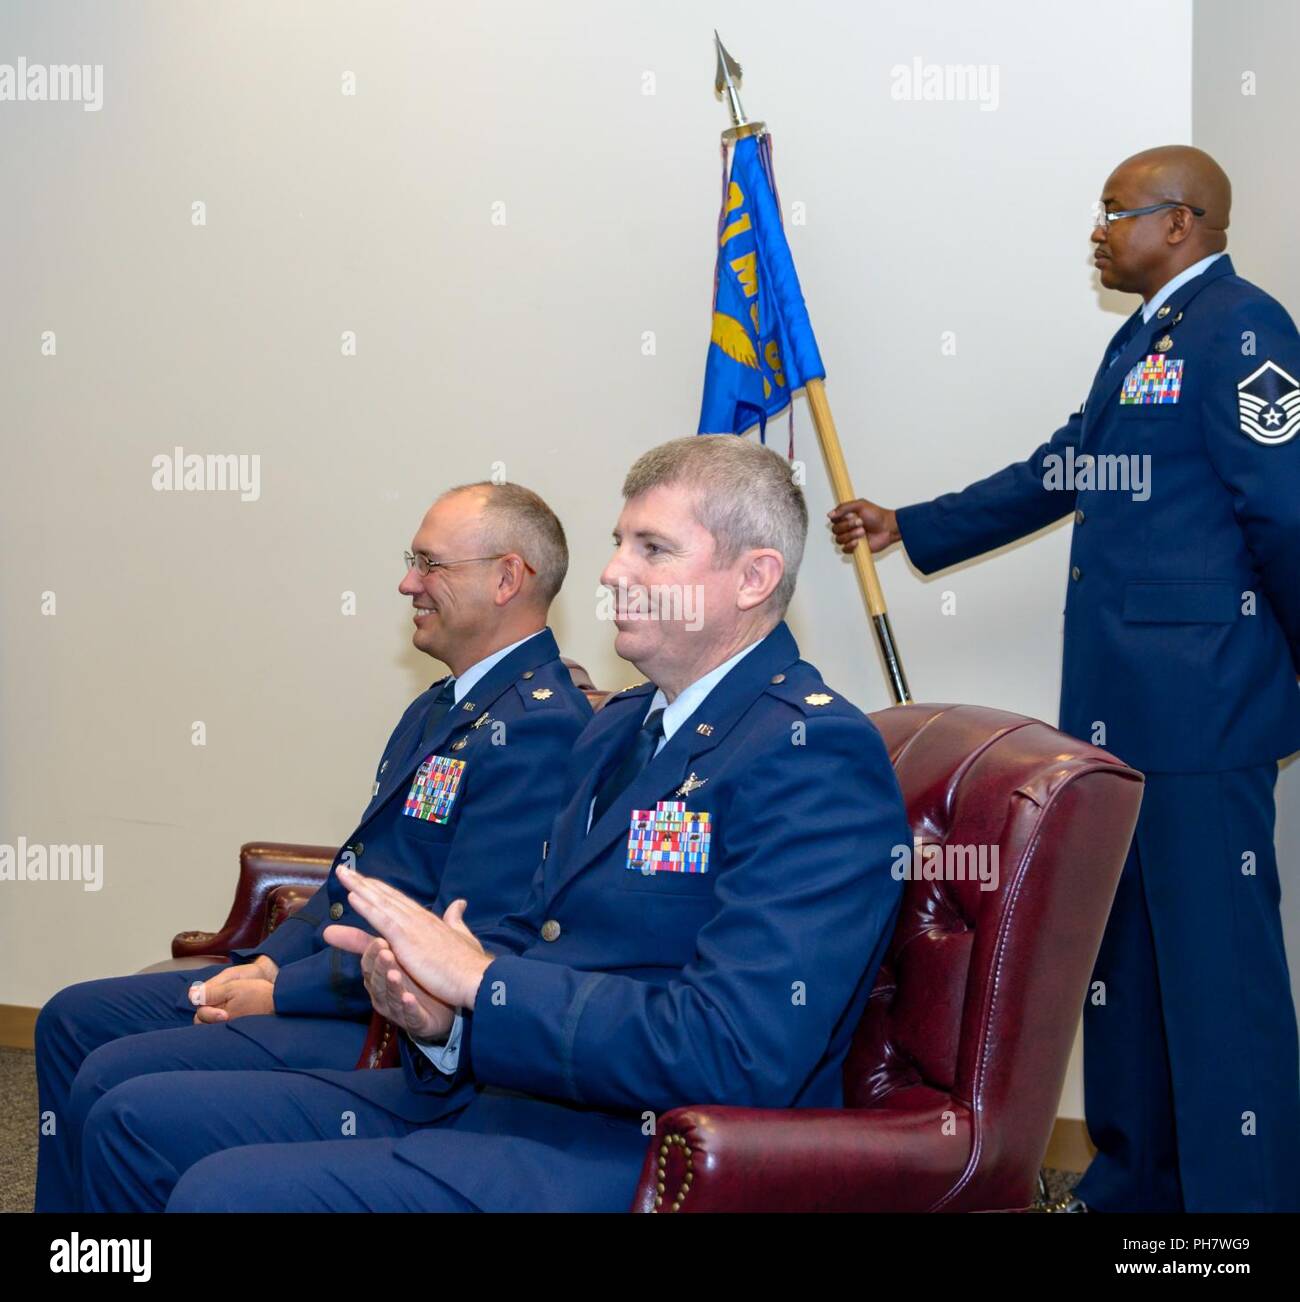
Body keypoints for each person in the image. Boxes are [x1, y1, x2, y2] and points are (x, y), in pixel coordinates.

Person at [79, 433, 910, 1213]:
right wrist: (435, 1013)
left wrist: (479, 986)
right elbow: (528, 938)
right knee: (135, 1121)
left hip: (639, 1153)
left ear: (755, 577)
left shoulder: (812, 753)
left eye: (653, 549)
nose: (613, 571)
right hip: (502, 1099)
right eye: (619, 542)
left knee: (228, 1194)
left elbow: (737, 1051)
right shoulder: (621, 726)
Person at [830, 146, 1300, 1213]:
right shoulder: (1144, 339)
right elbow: (1072, 465)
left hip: (1203, 708)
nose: (1096, 232)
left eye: (1112, 213)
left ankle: (1244, 1206)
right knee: (1123, 960)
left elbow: (1289, 512)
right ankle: (1136, 1187)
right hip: (1123, 711)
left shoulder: (1244, 328)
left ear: (1179, 224)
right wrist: (917, 526)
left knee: (1216, 975)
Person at [35, 481, 591, 1211]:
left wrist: (279, 991)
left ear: (506, 578)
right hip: (316, 980)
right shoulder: (438, 706)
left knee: (116, 1088)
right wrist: (267, 959)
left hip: (381, 1024)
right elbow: (352, 878)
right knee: (72, 1018)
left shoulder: (537, 726)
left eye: (429, 564)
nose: (407, 583)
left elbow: (463, 934)